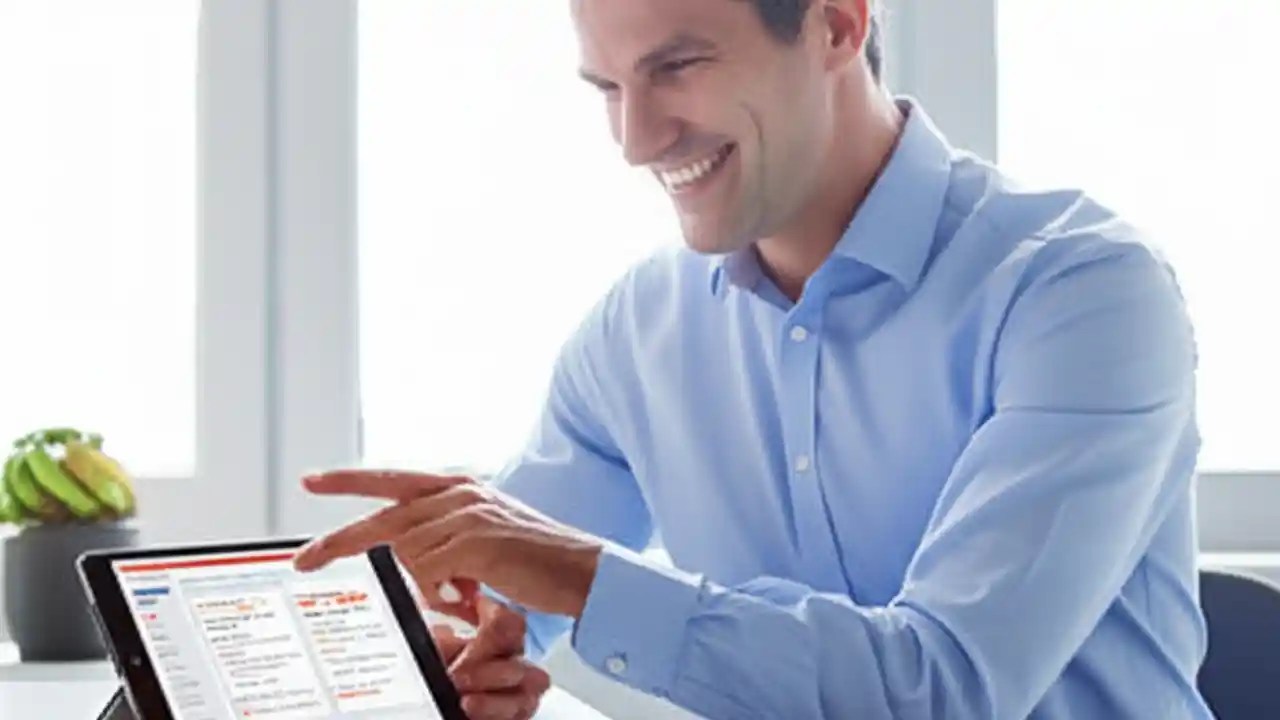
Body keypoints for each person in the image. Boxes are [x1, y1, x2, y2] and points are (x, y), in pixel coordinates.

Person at [293, 0, 1214, 717]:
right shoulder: (637, 332)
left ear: (839, 23)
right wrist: (460, 655)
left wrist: (579, 576)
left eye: (678, 67)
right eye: (609, 88)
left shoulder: (1080, 294)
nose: (636, 141)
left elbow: (943, 692)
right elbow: (501, 596)